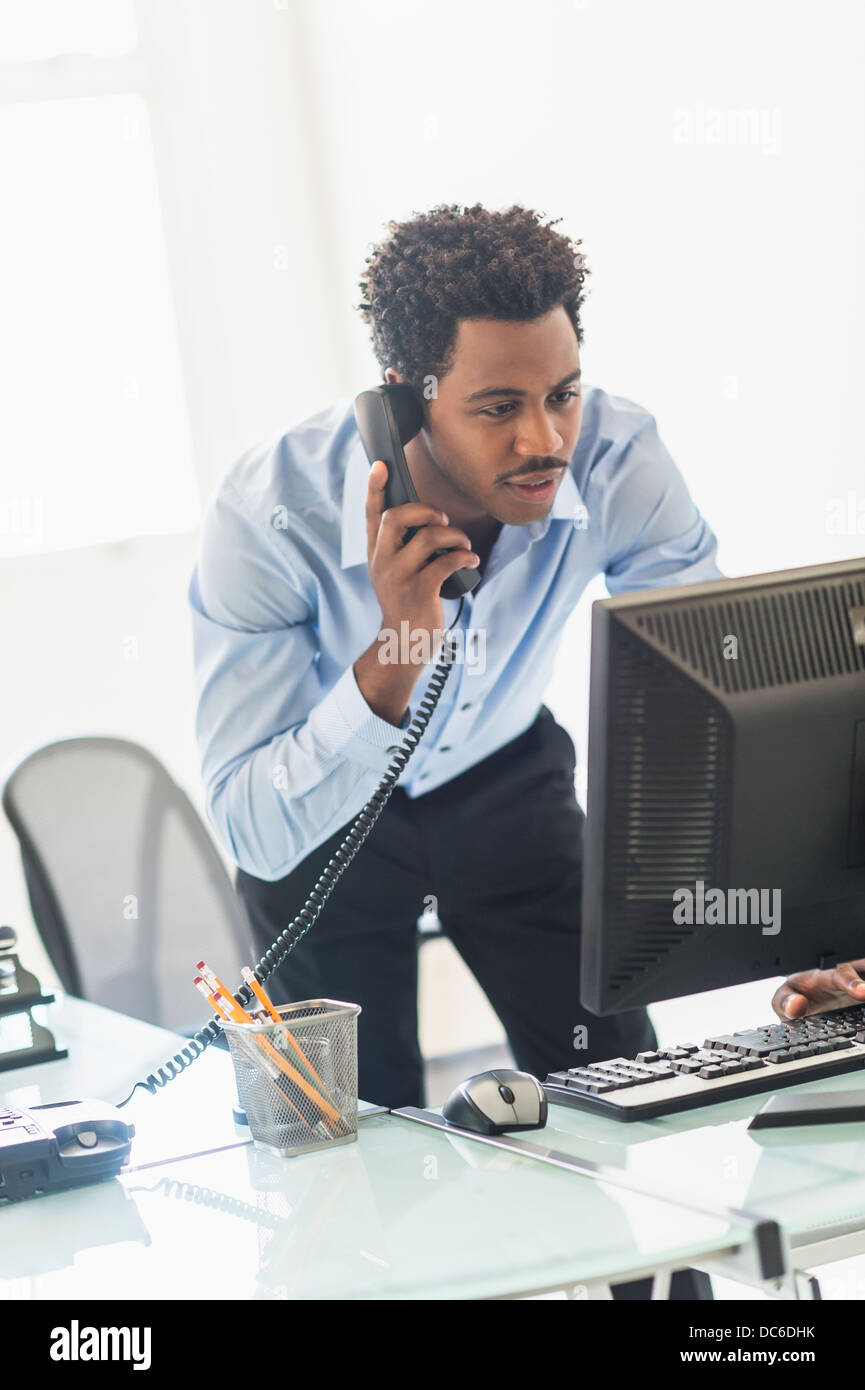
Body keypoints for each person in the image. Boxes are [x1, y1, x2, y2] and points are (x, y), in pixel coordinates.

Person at [190, 203, 728, 1299]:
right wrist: (393, 656)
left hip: (506, 775)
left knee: (620, 1095)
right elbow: (251, 820)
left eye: (562, 392)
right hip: (327, 813)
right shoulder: (271, 511)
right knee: (348, 1161)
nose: (547, 439)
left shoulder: (619, 454)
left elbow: (710, 683)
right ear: (405, 399)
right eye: (498, 406)